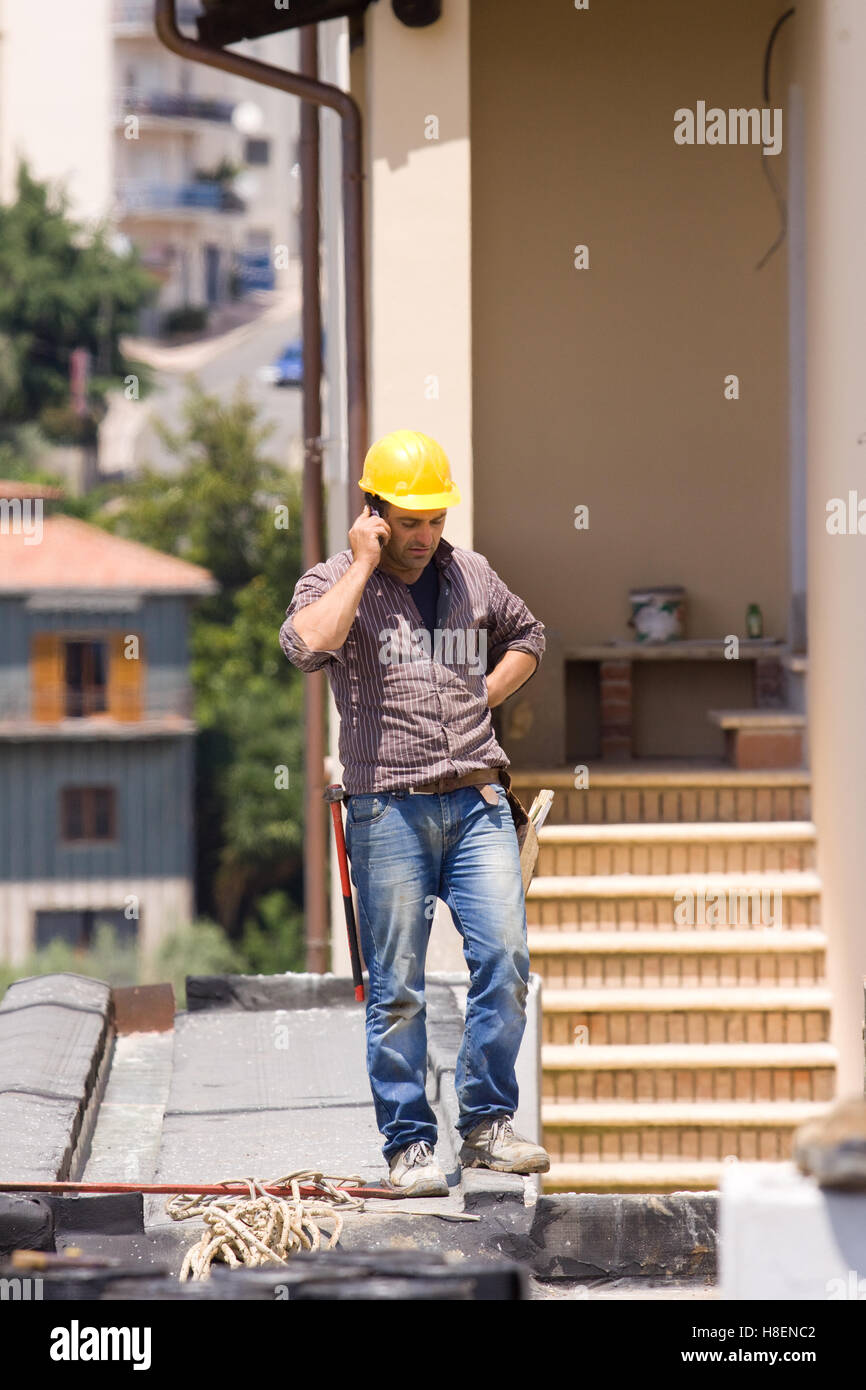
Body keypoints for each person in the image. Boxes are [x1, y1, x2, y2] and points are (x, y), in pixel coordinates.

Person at [279, 429, 550, 1195]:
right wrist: (364, 565)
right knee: (397, 986)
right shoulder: (333, 581)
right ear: (373, 514)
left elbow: (529, 634)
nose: (425, 536)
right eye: (408, 522)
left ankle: (487, 1126)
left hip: (477, 801)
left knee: (505, 961)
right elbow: (305, 648)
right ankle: (408, 1145)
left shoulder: (473, 574)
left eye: (434, 519)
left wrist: (485, 695)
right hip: (386, 809)